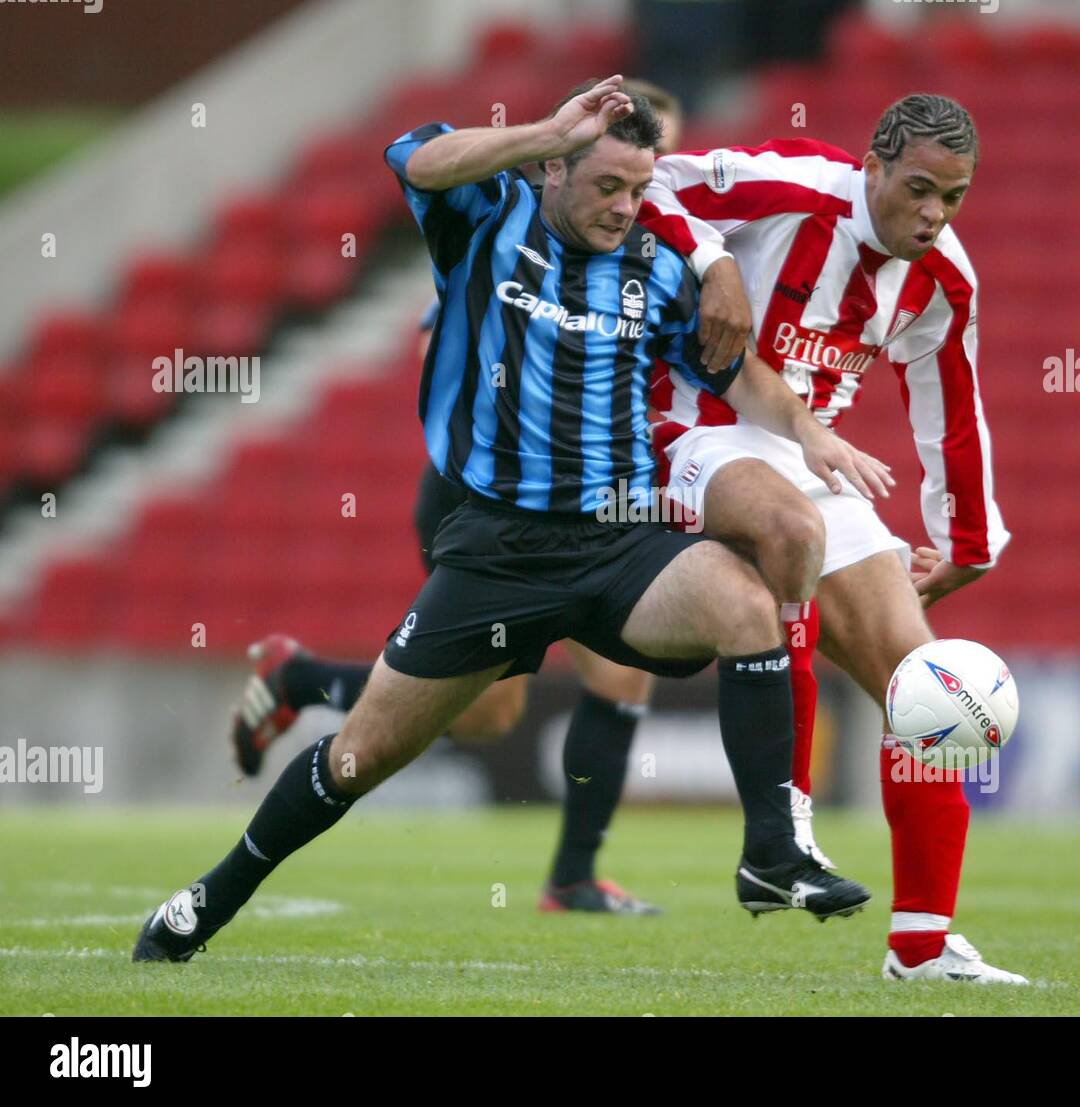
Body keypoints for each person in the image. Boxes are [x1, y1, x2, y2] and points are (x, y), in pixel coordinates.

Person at [133, 76, 892, 963]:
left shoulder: (658, 263)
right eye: (607, 187)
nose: (625, 208)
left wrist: (809, 432)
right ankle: (206, 901)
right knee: (360, 759)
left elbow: (735, 377)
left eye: (640, 191)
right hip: (497, 550)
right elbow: (415, 158)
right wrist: (540, 132)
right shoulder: (487, 214)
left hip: (619, 537)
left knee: (748, 607)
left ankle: (768, 851)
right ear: (551, 172)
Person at [636, 93, 1028, 983]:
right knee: (792, 524)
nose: (933, 214)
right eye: (919, 188)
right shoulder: (791, 185)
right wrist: (711, 262)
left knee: (929, 689)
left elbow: (951, 412)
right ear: (874, 167)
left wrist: (967, 539)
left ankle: (922, 946)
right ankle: (786, 834)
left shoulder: (945, 279)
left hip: (818, 459)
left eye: (954, 197)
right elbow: (654, 176)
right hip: (693, 430)